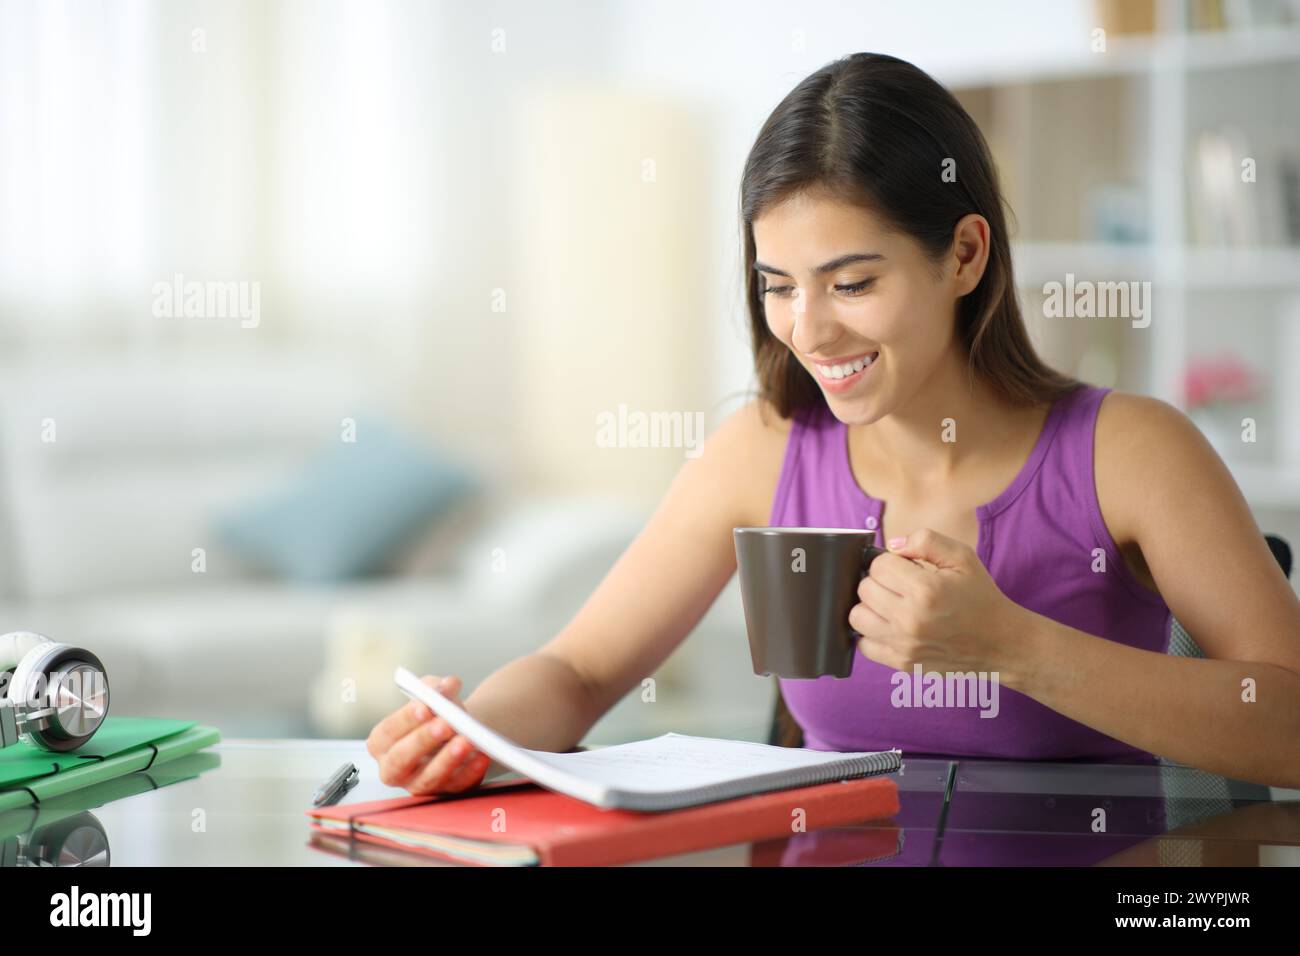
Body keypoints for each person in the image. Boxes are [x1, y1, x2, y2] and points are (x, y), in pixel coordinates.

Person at [367, 52, 1300, 794]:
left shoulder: (1128, 450)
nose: (810, 330)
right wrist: (469, 740)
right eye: (779, 287)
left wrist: (1015, 648)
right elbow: (578, 670)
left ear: (965, 254)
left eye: (853, 283)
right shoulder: (760, 450)